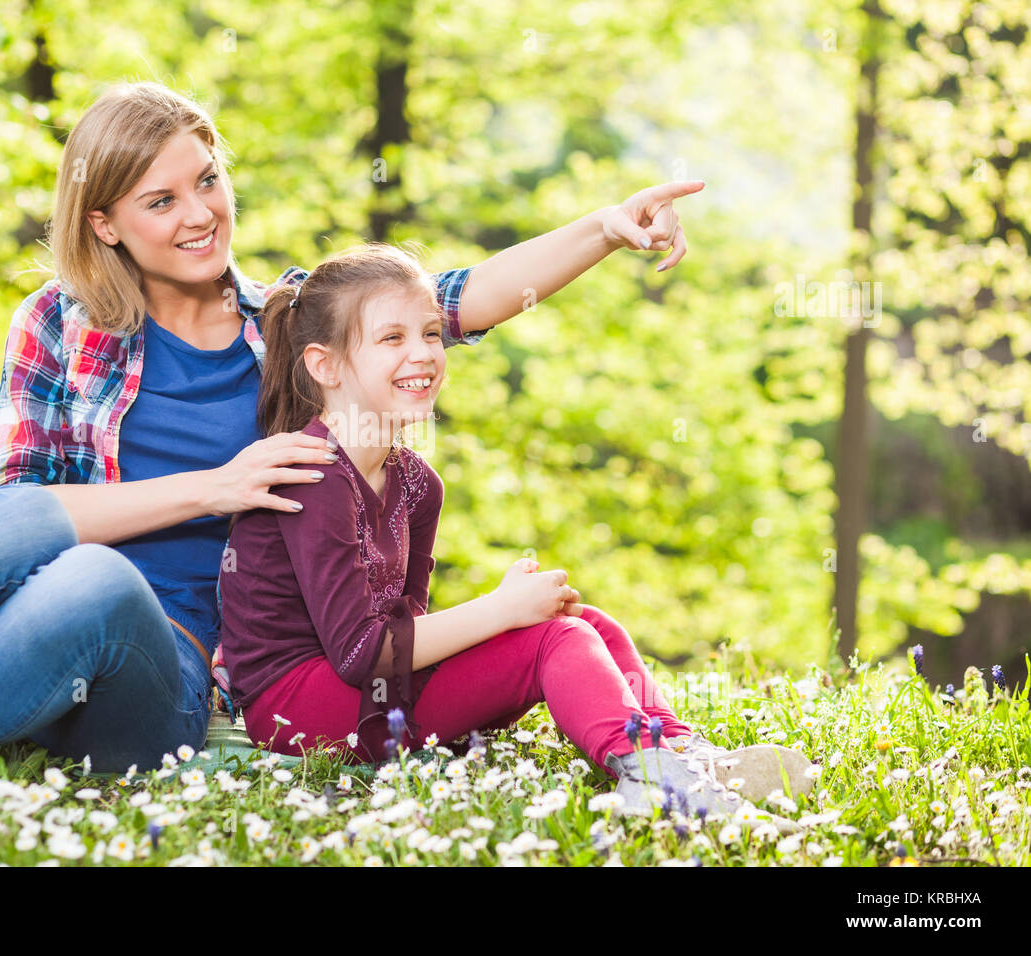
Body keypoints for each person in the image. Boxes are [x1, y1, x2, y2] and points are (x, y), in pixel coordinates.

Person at [0, 81, 703, 774]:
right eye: (161, 199)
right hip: (39, 639)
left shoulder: (286, 320)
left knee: (101, 581)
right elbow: (14, 520)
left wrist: (603, 229)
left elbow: (450, 301)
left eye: (207, 179)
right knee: (31, 528)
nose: (201, 213)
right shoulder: (56, 323)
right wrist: (213, 486)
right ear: (106, 223)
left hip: (174, 690)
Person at [218, 243, 813, 819]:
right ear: (324, 365)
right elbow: (361, 654)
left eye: (430, 332)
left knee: (584, 624)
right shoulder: (310, 474)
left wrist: (500, 630)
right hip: (297, 706)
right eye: (392, 339)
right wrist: (500, 612)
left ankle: (682, 755)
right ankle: (651, 777)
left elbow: (410, 624)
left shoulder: (417, 484)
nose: (423, 353)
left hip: (372, 688)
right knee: (555, 641)